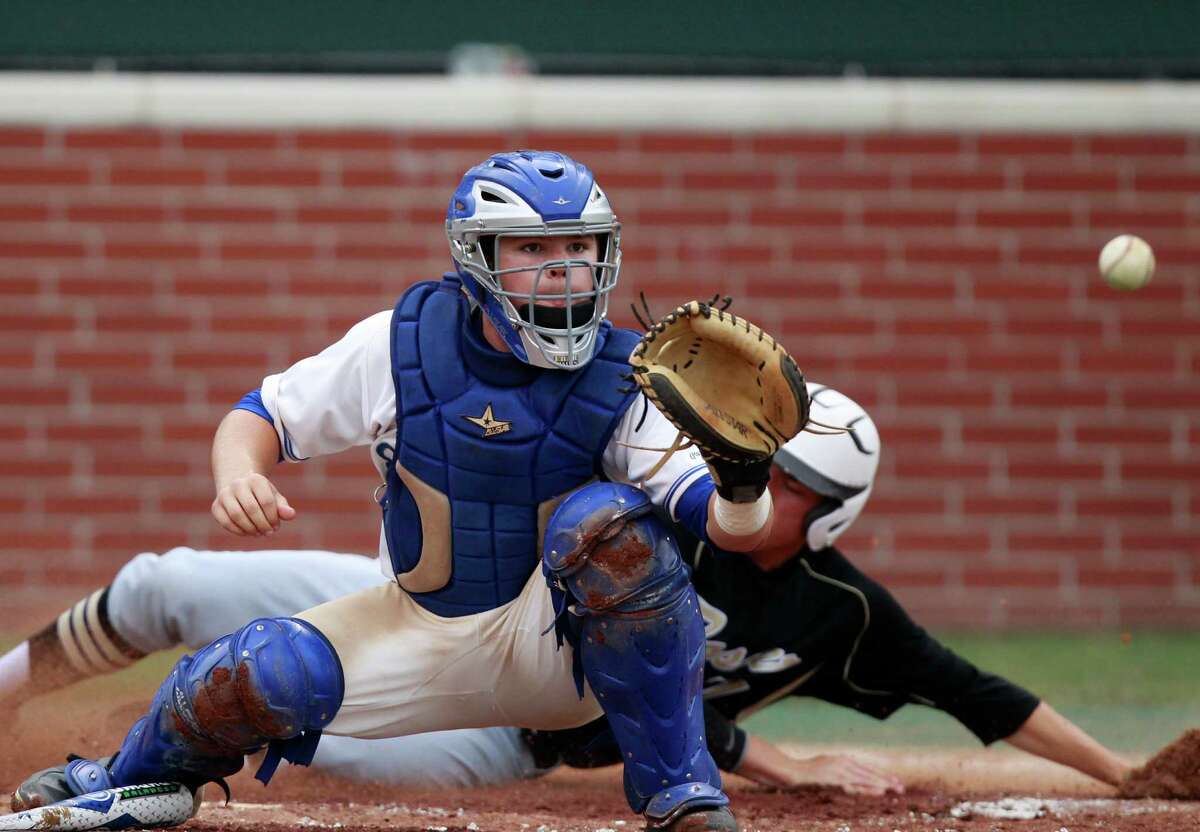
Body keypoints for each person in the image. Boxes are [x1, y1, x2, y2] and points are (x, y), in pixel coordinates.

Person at [8, 150, 802, 832]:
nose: (565, 269)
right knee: (253, 671)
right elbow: (261, 416)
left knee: (610, 521)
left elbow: (728, 531)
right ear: (476, 259)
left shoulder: (631, 374)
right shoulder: (403, 342)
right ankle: (128, 775)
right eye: (532, 248)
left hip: (555, 652)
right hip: (418, 617)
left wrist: (743, 480)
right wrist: (239, 474)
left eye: (581, 248)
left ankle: (681, 792)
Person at [1, 385, 1131, 799]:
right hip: (446, 609)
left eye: (789, 476)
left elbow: (981, 695)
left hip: (505, 731)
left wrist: (1129, 777)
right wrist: (771, 758)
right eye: (760, 453)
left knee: (293, 721)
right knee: (171, 584)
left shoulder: (839, 614)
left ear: (830, 513)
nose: (759, 474)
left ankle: (147, 773)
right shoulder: (670, 489)